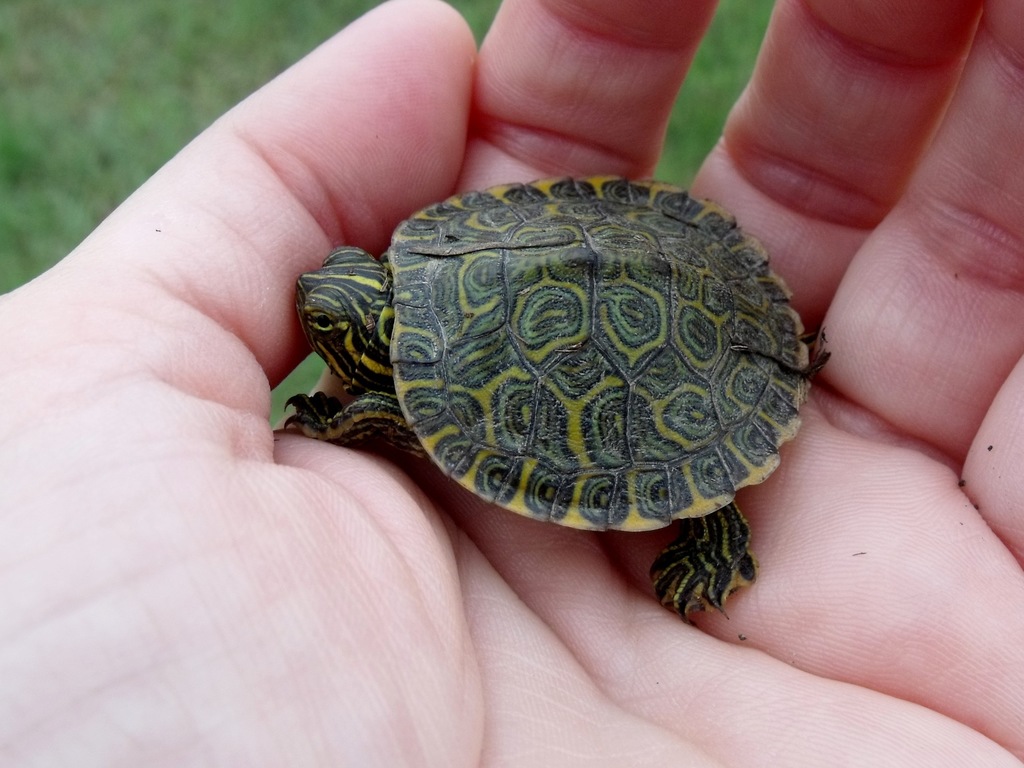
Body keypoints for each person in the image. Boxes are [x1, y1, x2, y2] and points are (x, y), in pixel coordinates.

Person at [2, 0, 1022, 763]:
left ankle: (712, 522)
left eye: (333, 319)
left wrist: (336, 419)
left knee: (654, 441)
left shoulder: (403, 369)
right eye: (336, 306)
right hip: (655, 274)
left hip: (664, 308)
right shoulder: (430, 257)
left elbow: (388, 411)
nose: (320, 298)